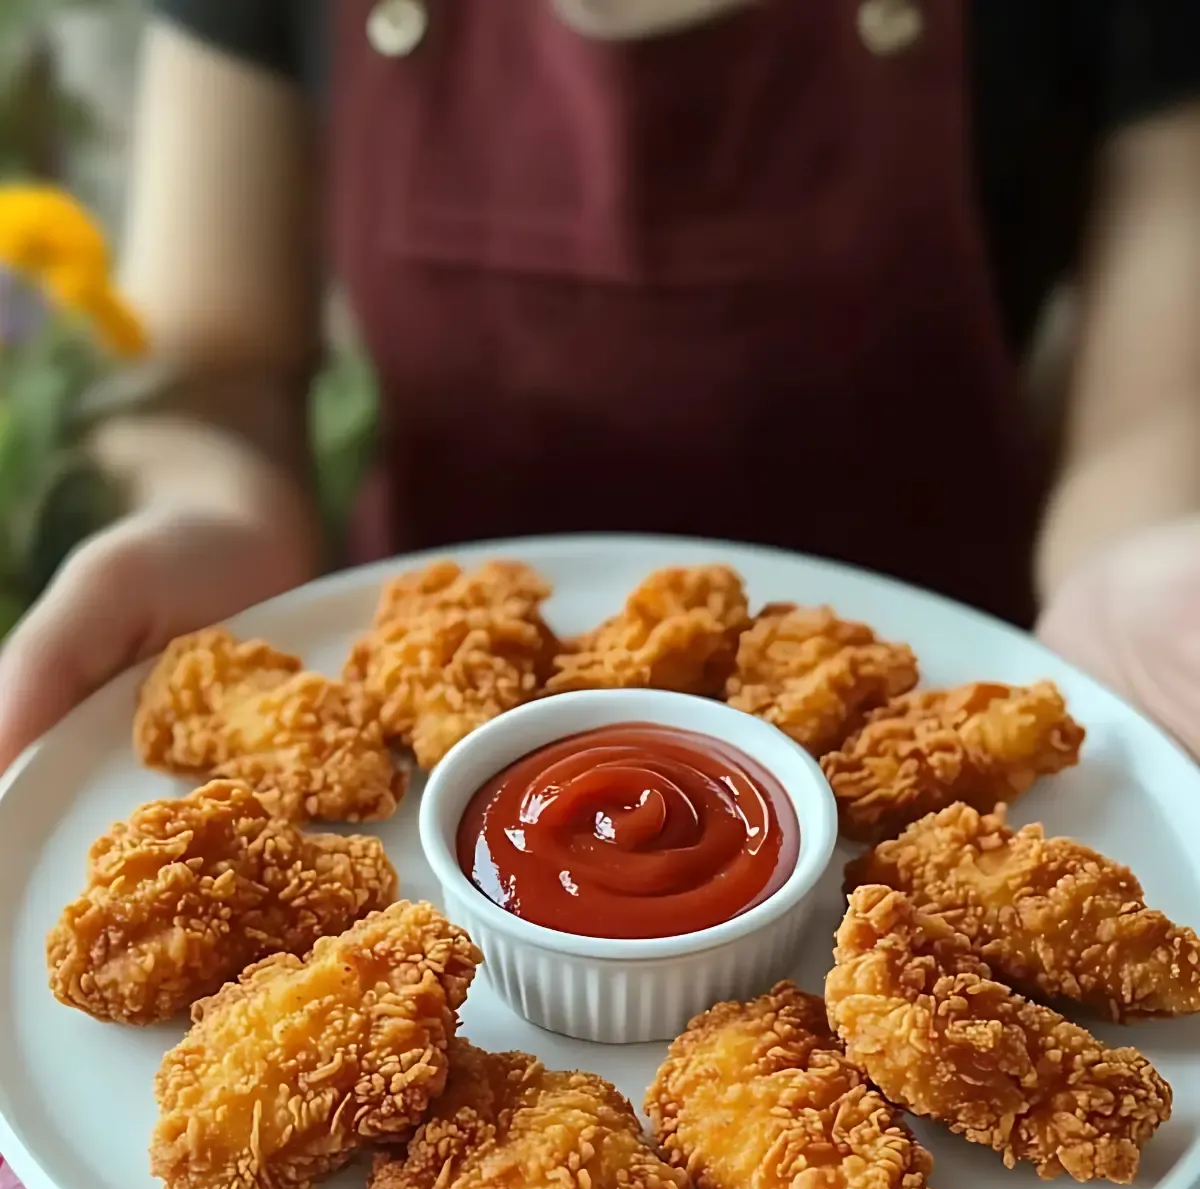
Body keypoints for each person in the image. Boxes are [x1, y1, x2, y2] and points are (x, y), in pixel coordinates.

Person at [2, 0, 1200, 769]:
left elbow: (1155, 417)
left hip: (949, 669)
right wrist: (198, 514)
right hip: (421, 727)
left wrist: (1143, 590)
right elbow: (218, 365)